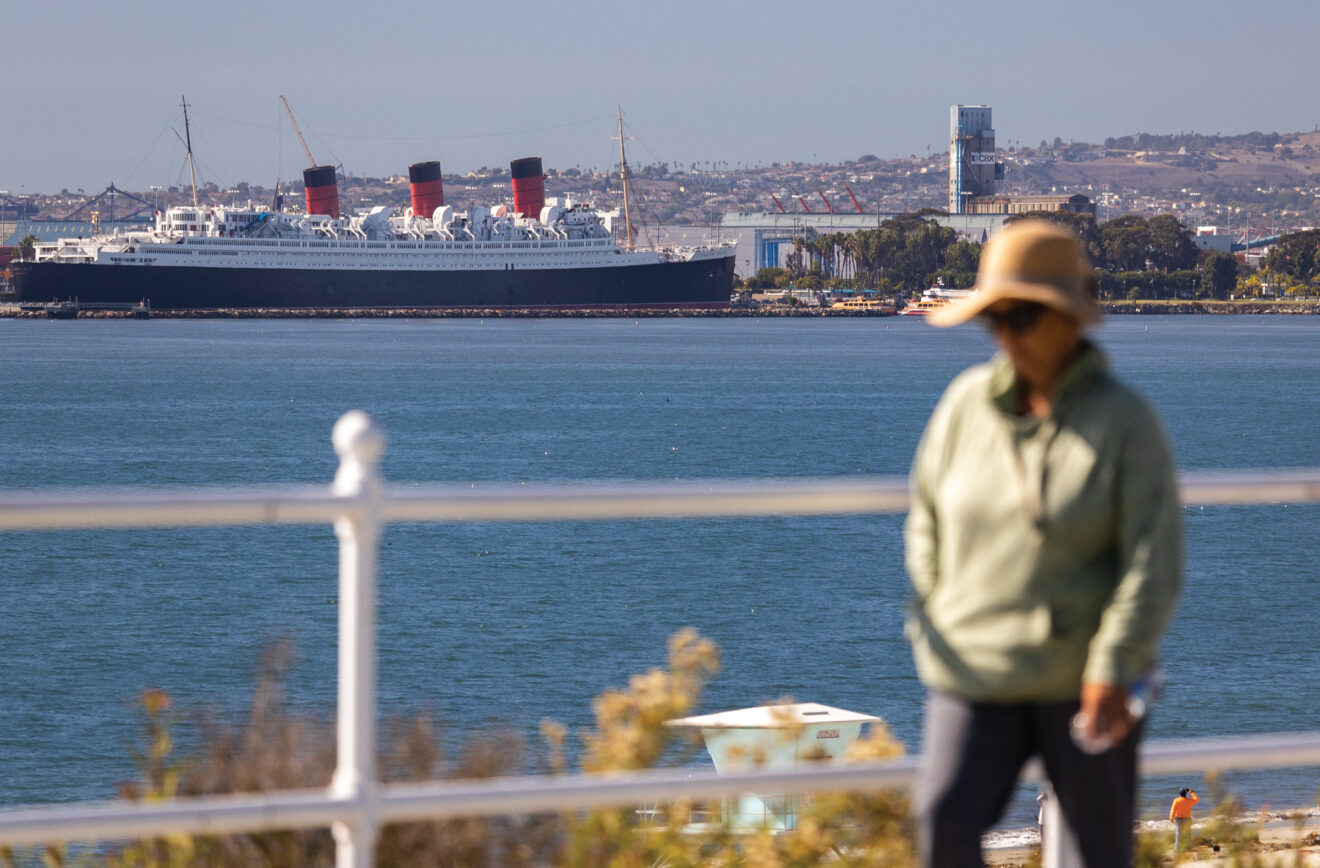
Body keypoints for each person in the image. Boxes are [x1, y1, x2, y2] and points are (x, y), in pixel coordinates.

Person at [904, 219, 1183, 867]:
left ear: (1069, 320)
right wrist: (934, 620)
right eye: (993, 318)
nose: (1005, 335)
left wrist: (1113, 664)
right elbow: (926, 522)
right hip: (974, 672)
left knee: (1099, 853)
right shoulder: (963, 407)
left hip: (1086, 680)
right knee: (943, 820)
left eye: (1022, 316)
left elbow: (1153, 560)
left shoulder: (1125, 421)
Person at [1170, 787, 1199, 852]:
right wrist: (1192, 792)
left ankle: (1177, 849)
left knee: (1178, 834)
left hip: (1179, 819)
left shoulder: (1176, 800)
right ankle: (1188, 848)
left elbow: (1173, 810)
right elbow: (1196, 800)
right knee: (1188, 834)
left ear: (1179, 794)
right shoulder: (1189, 801)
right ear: (1186, 794)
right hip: (1187, 819)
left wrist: (1171, 818)